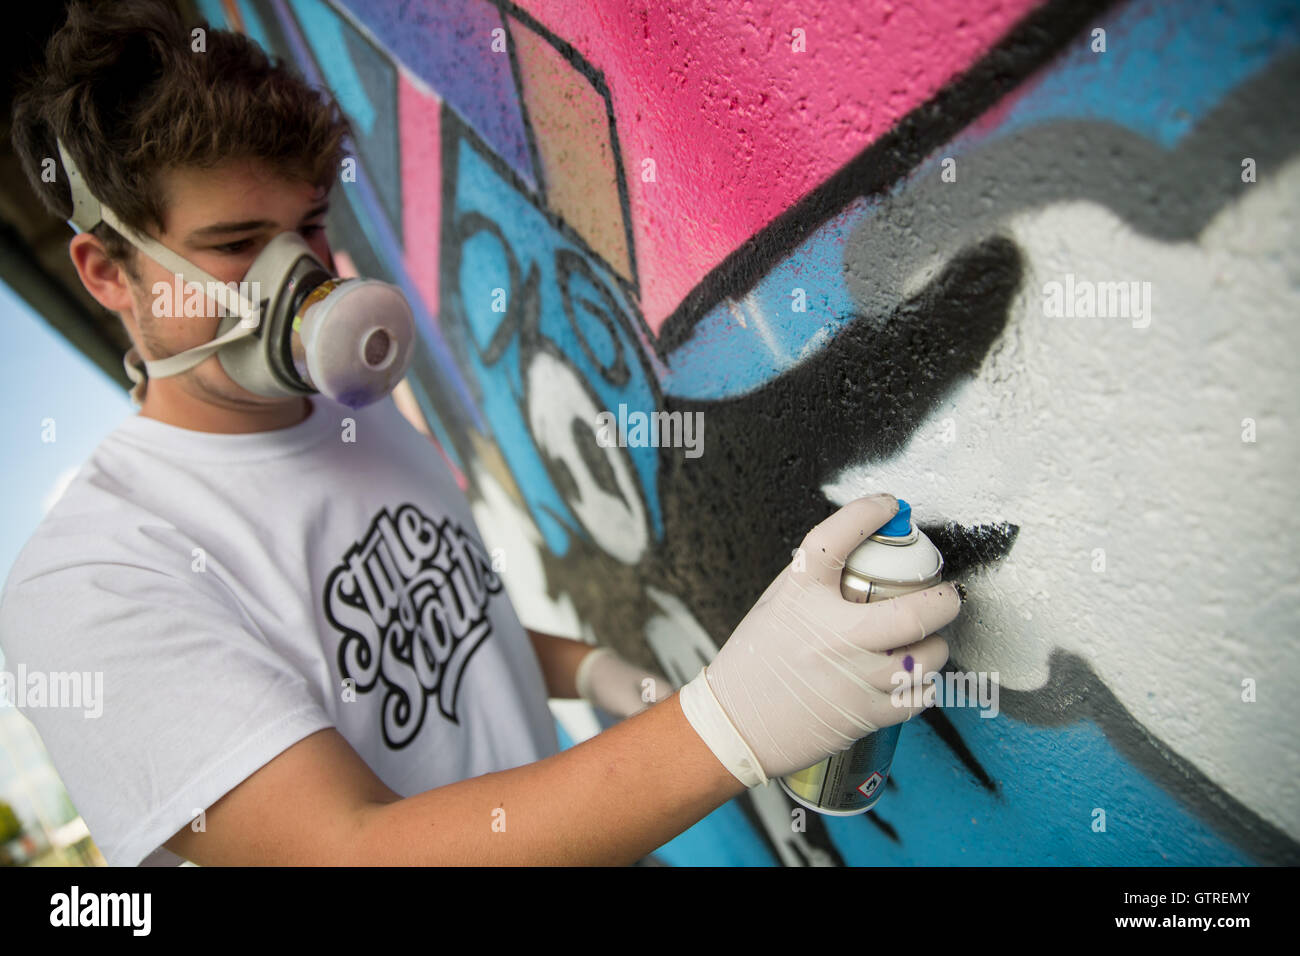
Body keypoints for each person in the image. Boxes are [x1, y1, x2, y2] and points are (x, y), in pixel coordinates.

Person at [0, 0, 961, 866]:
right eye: (235, 244)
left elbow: (442, 630)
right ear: (104, 273)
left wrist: (592, 669)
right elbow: (344, 852)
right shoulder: (93, 581)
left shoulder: (349, 424)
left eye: (311, 226)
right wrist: (729, 725)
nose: (302, 277)